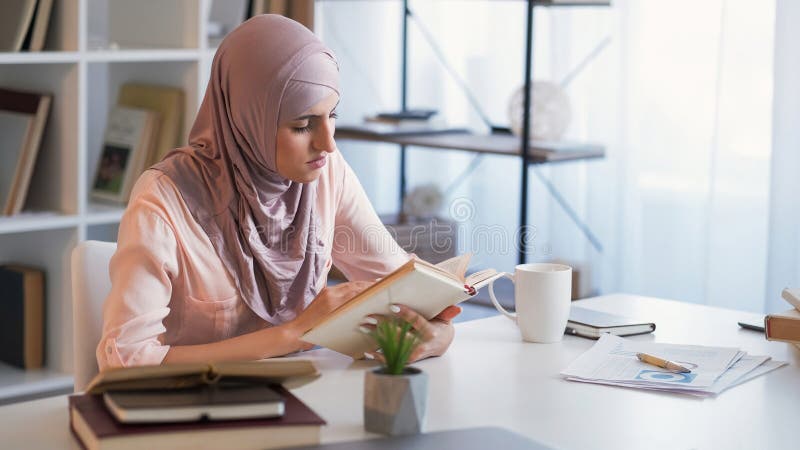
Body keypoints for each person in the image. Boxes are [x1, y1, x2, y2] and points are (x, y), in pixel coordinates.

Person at [97, 15, 461, 371]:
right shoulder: (163, 202)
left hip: (305, 401)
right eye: (303, 125)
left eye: (332, 114)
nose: (328, 144)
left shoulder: (324, 174)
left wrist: (439, 334)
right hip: (196, 412)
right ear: (246, 118)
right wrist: (294, 334)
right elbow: (126, 361)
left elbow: (399, 281)